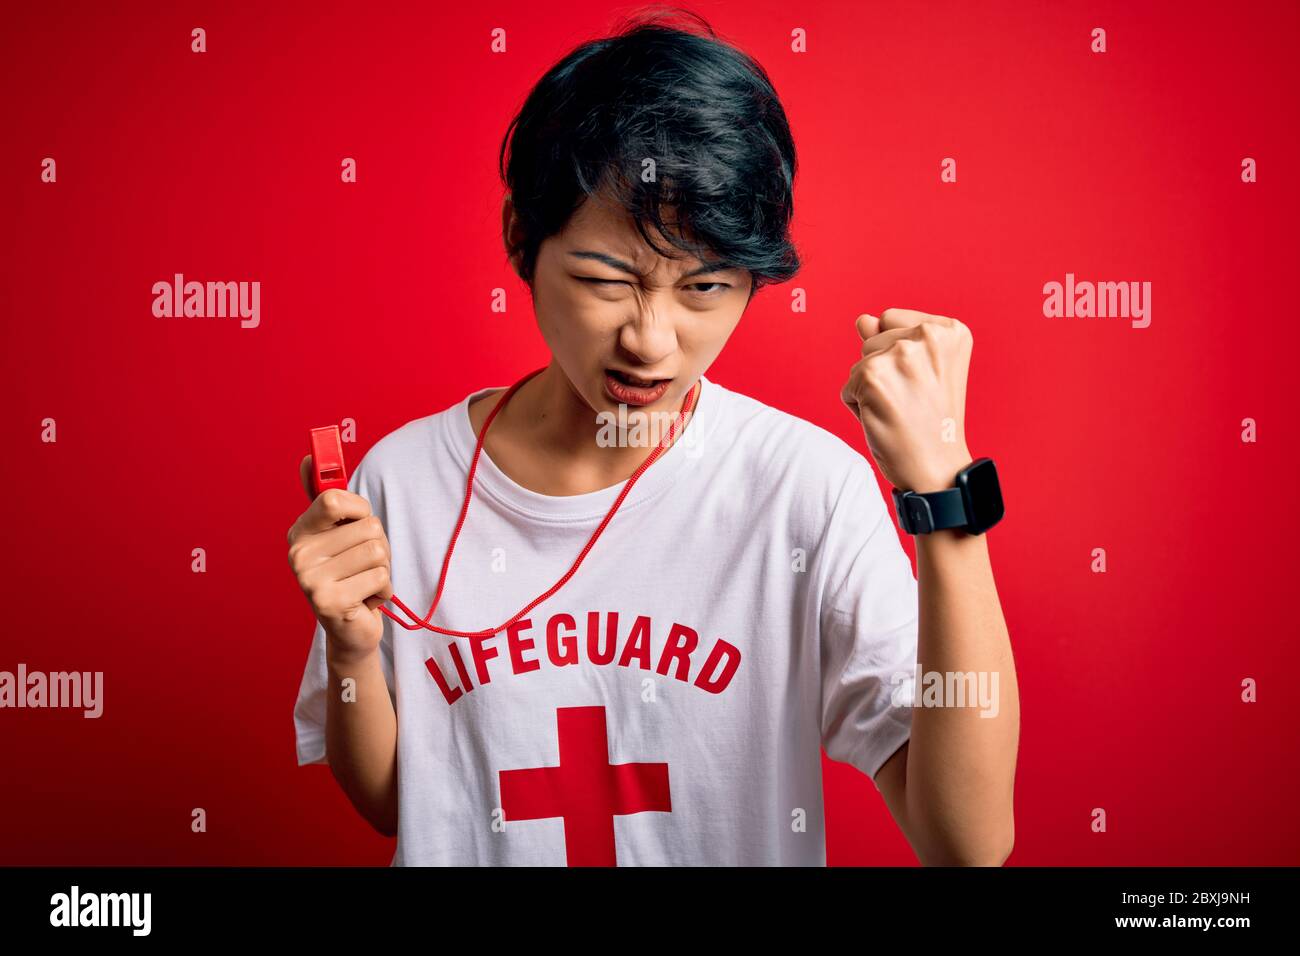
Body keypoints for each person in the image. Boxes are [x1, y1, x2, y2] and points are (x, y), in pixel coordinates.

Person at [287, 8, 1018, 866]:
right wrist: (352, 647)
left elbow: (967, 844)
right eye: (606, 279)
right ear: (521, 237)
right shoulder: (403, 481)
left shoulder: (804, 489)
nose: (652, 339)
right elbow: (402, 801)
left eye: (705, 287)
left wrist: (945, 500)